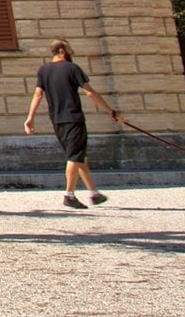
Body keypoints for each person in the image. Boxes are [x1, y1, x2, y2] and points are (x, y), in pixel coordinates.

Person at [24, 38, 119, 208]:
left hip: (57, 119)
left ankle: (93, 193)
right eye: (69, 50)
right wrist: (110, 111)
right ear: (62, 51)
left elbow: (38, 94)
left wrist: (30, 117)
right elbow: (90, 93)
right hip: (73, 117)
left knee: (77, 155)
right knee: (74, 157)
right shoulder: (72, 68)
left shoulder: (43, 70)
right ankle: (69, 195)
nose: (70, 53)